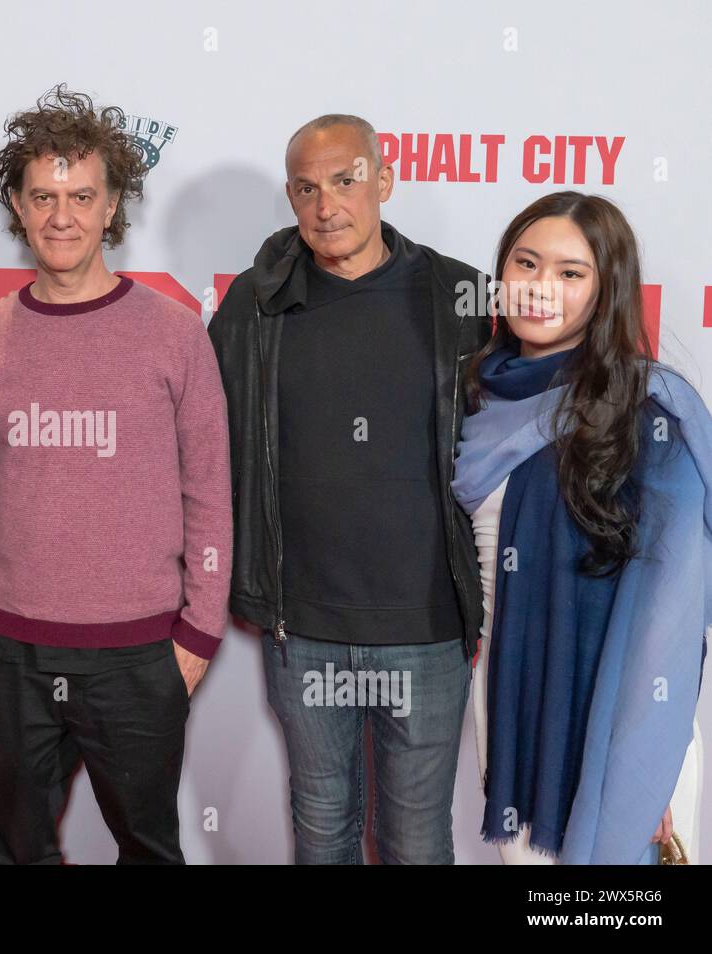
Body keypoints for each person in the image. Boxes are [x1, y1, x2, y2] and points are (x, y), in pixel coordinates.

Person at [0, 85, 232, 864]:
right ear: (17, 202)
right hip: (10, 649)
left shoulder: (176, 336)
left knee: (148, 847)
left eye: (82, 196)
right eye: (43, 196)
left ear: (113, 205)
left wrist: (199, 632)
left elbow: (210, 491)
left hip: (141, 654)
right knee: (13, 847)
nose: (62, 215)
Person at [208, 113, 492, 863]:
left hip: (428, 628)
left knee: (416, 840)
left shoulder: (463, 295)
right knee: (322, 829)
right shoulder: (254, 305)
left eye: (345, 179)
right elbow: (201, 445)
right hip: (302, 629)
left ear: (384, 180)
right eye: (307, 188)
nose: (326, 204)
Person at [452, 191, 710, 864]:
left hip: (625, 722)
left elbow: (672, 616)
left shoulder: (650, 408)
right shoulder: (472, 397)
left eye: (570, 273)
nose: (540, 288)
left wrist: (643, 768)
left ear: (607, 289)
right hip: (510, 698)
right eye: (525, 264)